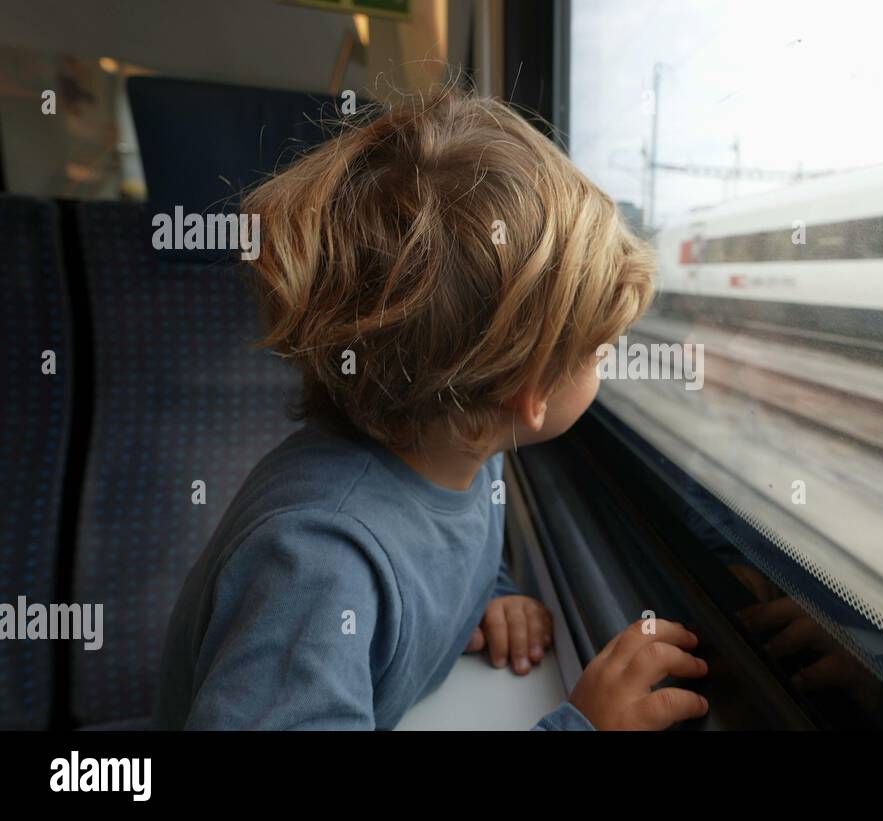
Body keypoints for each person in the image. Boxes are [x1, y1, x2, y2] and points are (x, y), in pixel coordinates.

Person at [154, 88, 709, 730]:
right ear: (524, 392)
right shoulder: (317, 559)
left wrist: (491, 597)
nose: (609, 364)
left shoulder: (467, 450)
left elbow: (442, 551)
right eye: (598, 352)